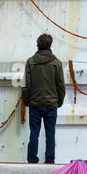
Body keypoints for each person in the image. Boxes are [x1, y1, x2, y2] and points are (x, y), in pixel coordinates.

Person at [22, 33, 65, 165]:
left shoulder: (30, 62)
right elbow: (61, 86)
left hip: (35, 103)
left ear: (38, 44)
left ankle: (32, 159)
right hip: (51, 104)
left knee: (34, 133)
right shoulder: (57, 63)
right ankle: (49, 160)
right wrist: (59, 102)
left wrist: (26, 101)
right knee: (50, 134)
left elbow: (26, 85)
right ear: (50, 45)